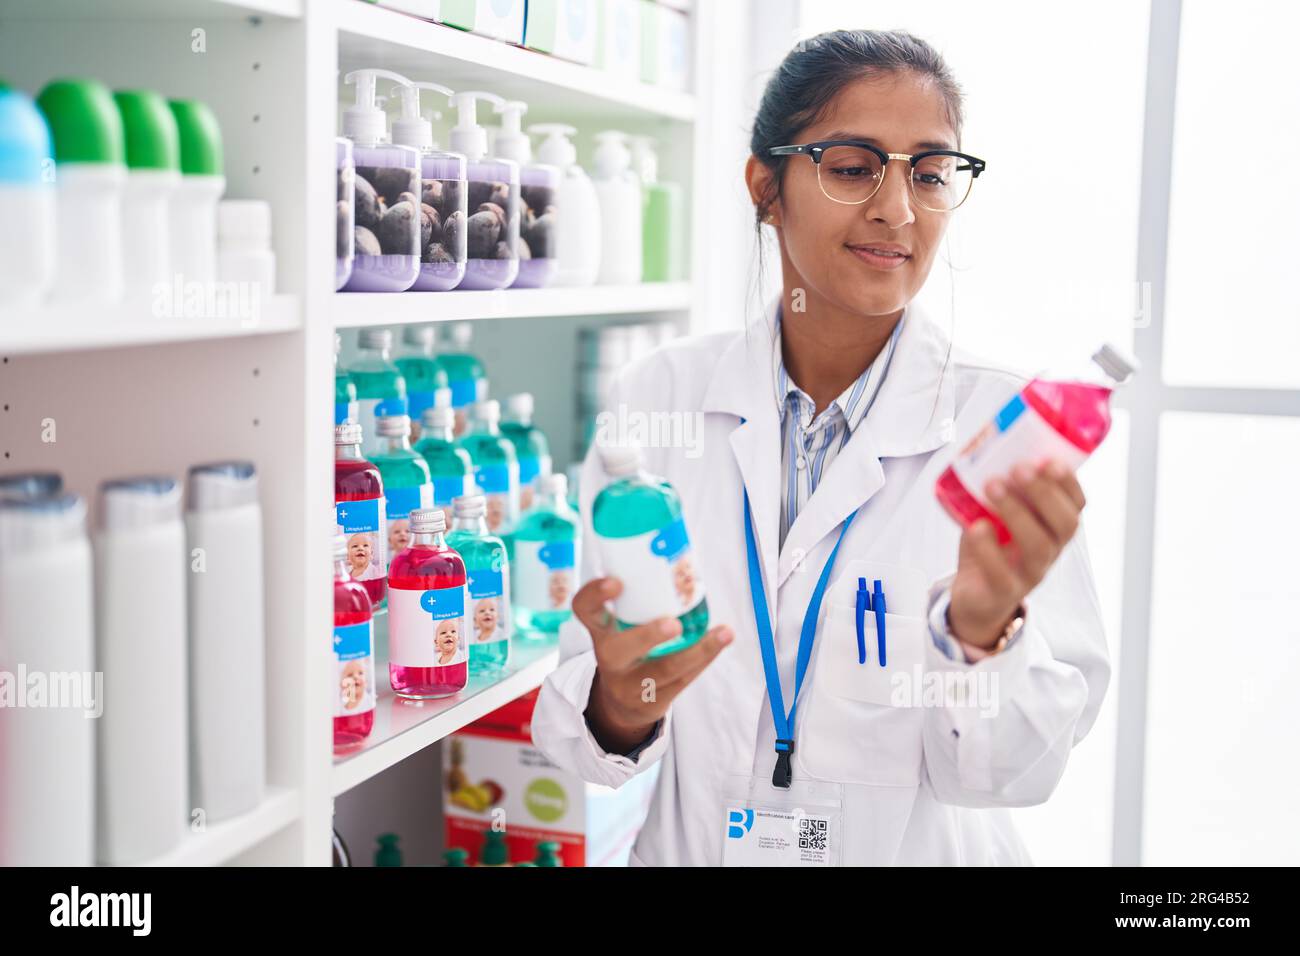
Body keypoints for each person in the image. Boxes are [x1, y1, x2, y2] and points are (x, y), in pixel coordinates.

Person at [531, 29, 1109, 866]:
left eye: (931, 172)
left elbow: (1012, 772)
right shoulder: (657, 399)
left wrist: (982, 635)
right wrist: (624, 698)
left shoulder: (1004, 427)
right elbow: (589, 730)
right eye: (852, 166)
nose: (898, 208)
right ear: (766, 185)